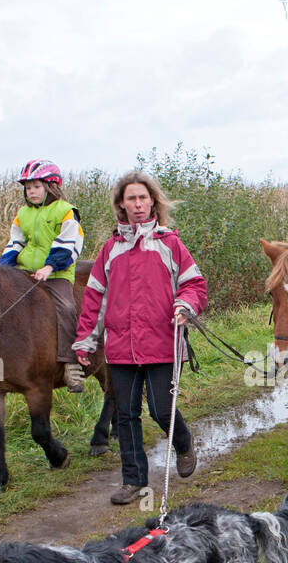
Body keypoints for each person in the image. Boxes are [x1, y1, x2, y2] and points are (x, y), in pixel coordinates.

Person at [73, 171, 206, 505]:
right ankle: (133, 481)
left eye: (142, 198)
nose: (137, 204)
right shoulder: (110, 250)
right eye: (130, 198)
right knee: (126, 415)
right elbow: (94, 299)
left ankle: (183, 443)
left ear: (153, 202)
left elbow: (194, 285)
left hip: (162, 342)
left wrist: (184, 305)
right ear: (121, 204)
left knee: (162, 410)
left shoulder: (170, 244)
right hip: (120, 348)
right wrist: (86, 341)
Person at [0, 159, 87, 391]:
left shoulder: (66, 211)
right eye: (28, 188)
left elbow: (69, 243)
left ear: (51, 186)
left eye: (36, 186)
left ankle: (71, 365)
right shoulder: (22, 214)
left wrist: (50, 267)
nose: (31, 192)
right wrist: (1, 270)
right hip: (27, 273)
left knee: (66, 308)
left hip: (58, 274)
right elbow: (15, 243)